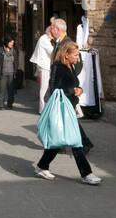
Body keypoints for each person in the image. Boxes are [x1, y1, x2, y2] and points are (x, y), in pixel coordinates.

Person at [33, 39, 101, 185]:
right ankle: (87, 174)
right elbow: (54, 89)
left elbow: (74, 84)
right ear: (66, 55)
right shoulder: (58, 67)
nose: (78, 58)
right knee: (76, 142)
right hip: (62, 109)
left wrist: (79, 90)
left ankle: (41, 166)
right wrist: (72, 91)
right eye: (75, 55)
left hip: (69, 108)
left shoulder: (71, 66)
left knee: (59, 141)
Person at [30, 18, 67, 113]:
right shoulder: (44, 39)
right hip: (45, 66)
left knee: (45, 87)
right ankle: (42, 108)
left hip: (45, 66)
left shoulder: (45, 39)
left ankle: (44, 107)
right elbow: (52, 52)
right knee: (44, 88)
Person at [0, 36, 18, 109]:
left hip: (11, 73)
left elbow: (16, 62)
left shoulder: (14, 51)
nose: (12, 44)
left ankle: (10, 104)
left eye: (13, 42)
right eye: (10, 42)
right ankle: (1, 104)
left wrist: (15, 71)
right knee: (1, 89)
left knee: (11, 90)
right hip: (2, 73)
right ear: (7, 42)